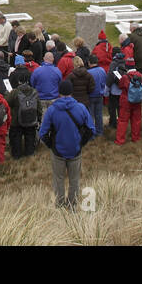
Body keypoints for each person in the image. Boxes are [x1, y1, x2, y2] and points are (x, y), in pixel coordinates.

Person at [40, 77, 97, 208]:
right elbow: (91, 129)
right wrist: (81, 143)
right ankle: (72, 206)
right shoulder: (81, 108)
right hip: (75, 149)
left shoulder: (52, 110)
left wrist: (51, 145)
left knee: (58, 179)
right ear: (72, 92)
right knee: (74, 180)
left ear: (59, 92)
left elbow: (42, 133)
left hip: (57, 151)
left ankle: (59, 205)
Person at [8, 71, 40, 158]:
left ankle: (17, 156)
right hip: (31, 119)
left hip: (16, 121)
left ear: (19, 81)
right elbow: (39, 107)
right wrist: (39, 119)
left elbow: (7, 103)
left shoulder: (14, 92)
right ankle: (29, 155)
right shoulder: (34, 92)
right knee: (30, 138)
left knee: (16, 140)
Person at [116, 57, 142, 144]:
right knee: (136, 120)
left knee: (123, 121)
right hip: (137, 101)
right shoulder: (140, 75)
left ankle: (120, 140)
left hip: (126, 101)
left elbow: (120, 86)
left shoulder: (125, 77)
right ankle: (136, 138)